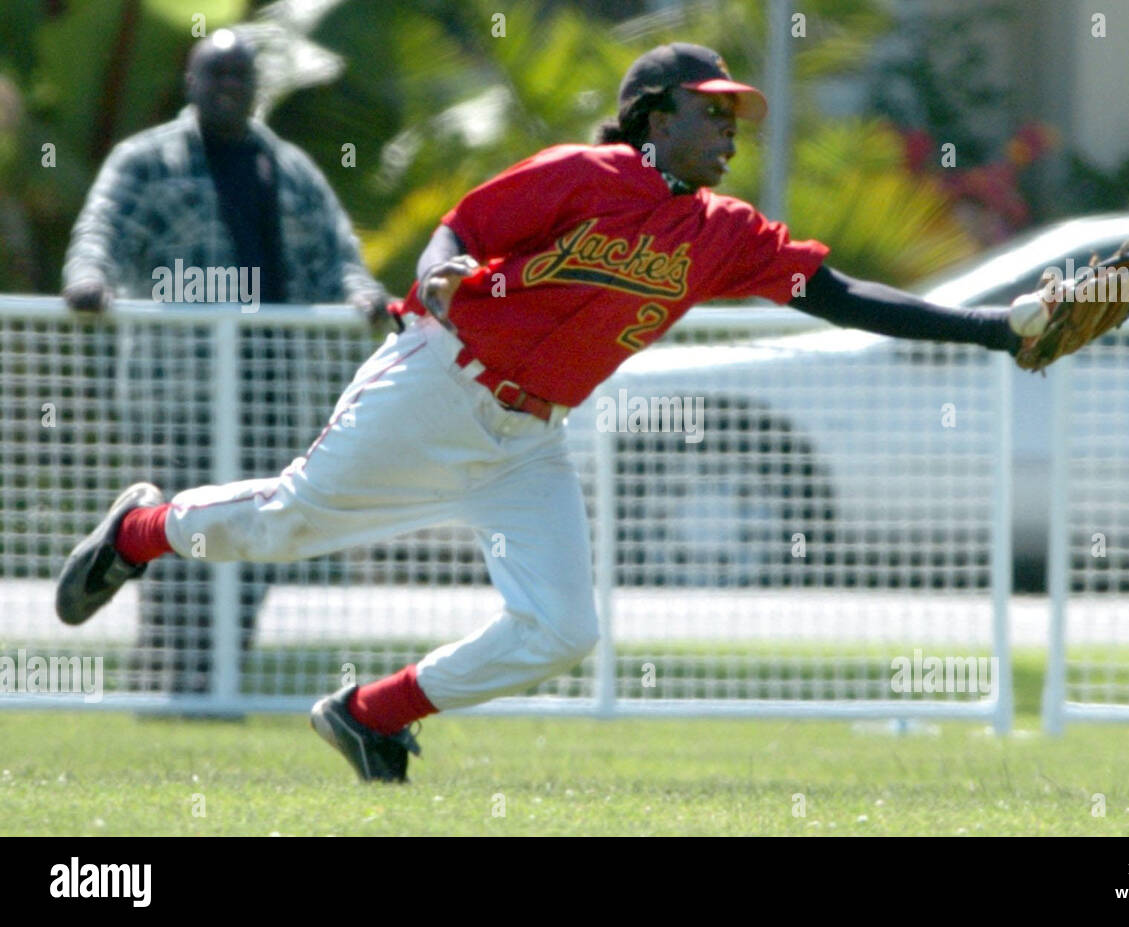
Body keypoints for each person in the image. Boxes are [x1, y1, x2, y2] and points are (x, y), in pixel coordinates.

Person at [56, 43, 1046, 776]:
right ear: (655, 119)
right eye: (712, 111)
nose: (730, 128)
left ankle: (369, 712)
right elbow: (463, 226)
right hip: (443, 378)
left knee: (562, 629)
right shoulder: (586, 174)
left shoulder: (726, 235)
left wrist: (998, 328)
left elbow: (845, 299)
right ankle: (138, 533)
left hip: (527, 438)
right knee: (283, 526)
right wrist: (440, 277)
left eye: (734, 113)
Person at [60, 29, 391, 699]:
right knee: (178, 533)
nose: (229, 89)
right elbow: (99, 230)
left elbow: (338, 249)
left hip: (270, 391)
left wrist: (360, 292)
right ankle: (177, 680)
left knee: (259, 535)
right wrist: (89, 278)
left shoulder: (289, 168)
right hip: (178, 391)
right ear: (191, 82)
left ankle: (222, 676)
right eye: (216, 77)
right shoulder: (145, 160)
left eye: (241, 78)